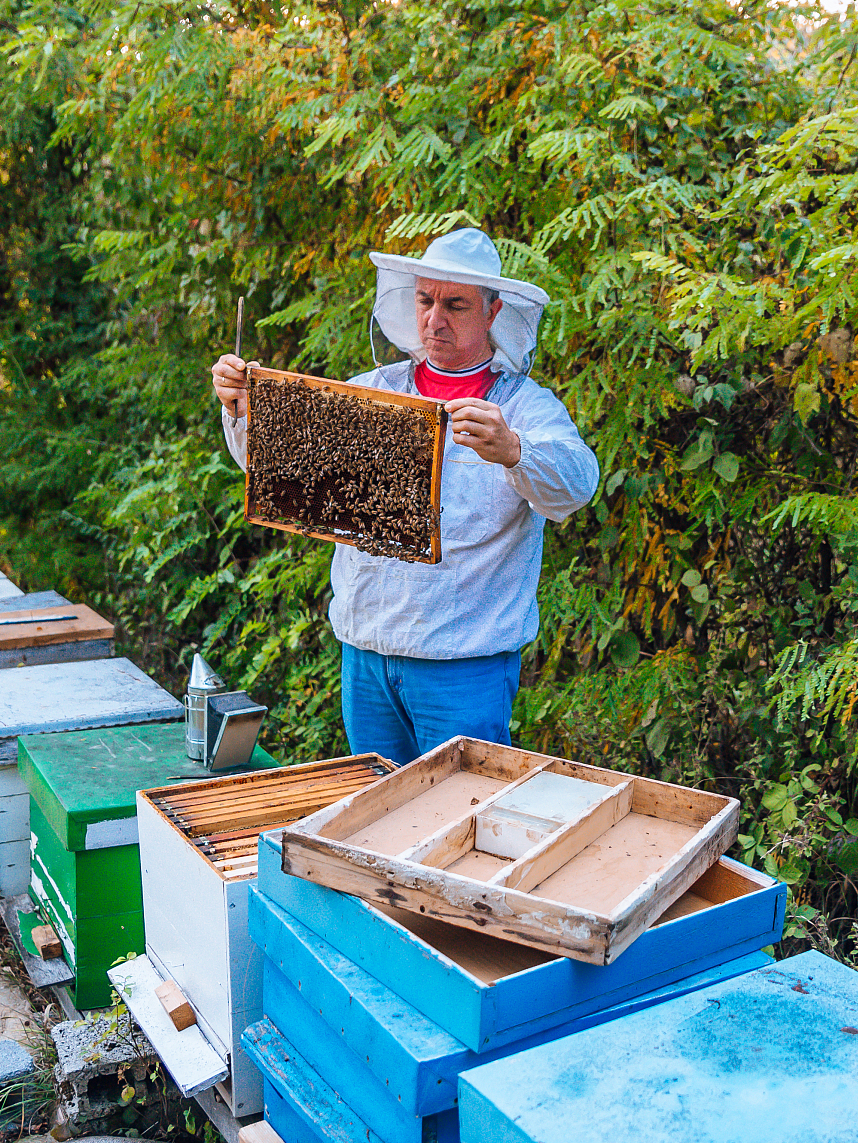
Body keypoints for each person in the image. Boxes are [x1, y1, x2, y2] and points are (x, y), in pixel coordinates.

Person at [210, 228, 599, 764]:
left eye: (455, 305)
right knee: (381, 815)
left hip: (463, 668)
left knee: (462, 823)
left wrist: (514, 448)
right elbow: (281, 468)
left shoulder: (525, 407)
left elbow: (576, 486)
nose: (434, 320)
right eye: (425, 300)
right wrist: (241, 408)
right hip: (365, 658)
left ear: (492, 312)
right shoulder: (373, 389)